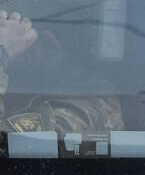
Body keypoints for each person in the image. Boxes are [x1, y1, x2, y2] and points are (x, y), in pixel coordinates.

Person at [0, 8, 123, 151]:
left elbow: (5, 147)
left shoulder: (91, 110)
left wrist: (2, 52)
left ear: (49, 46)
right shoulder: (37, 92)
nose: (15, 55)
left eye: (19, 42)